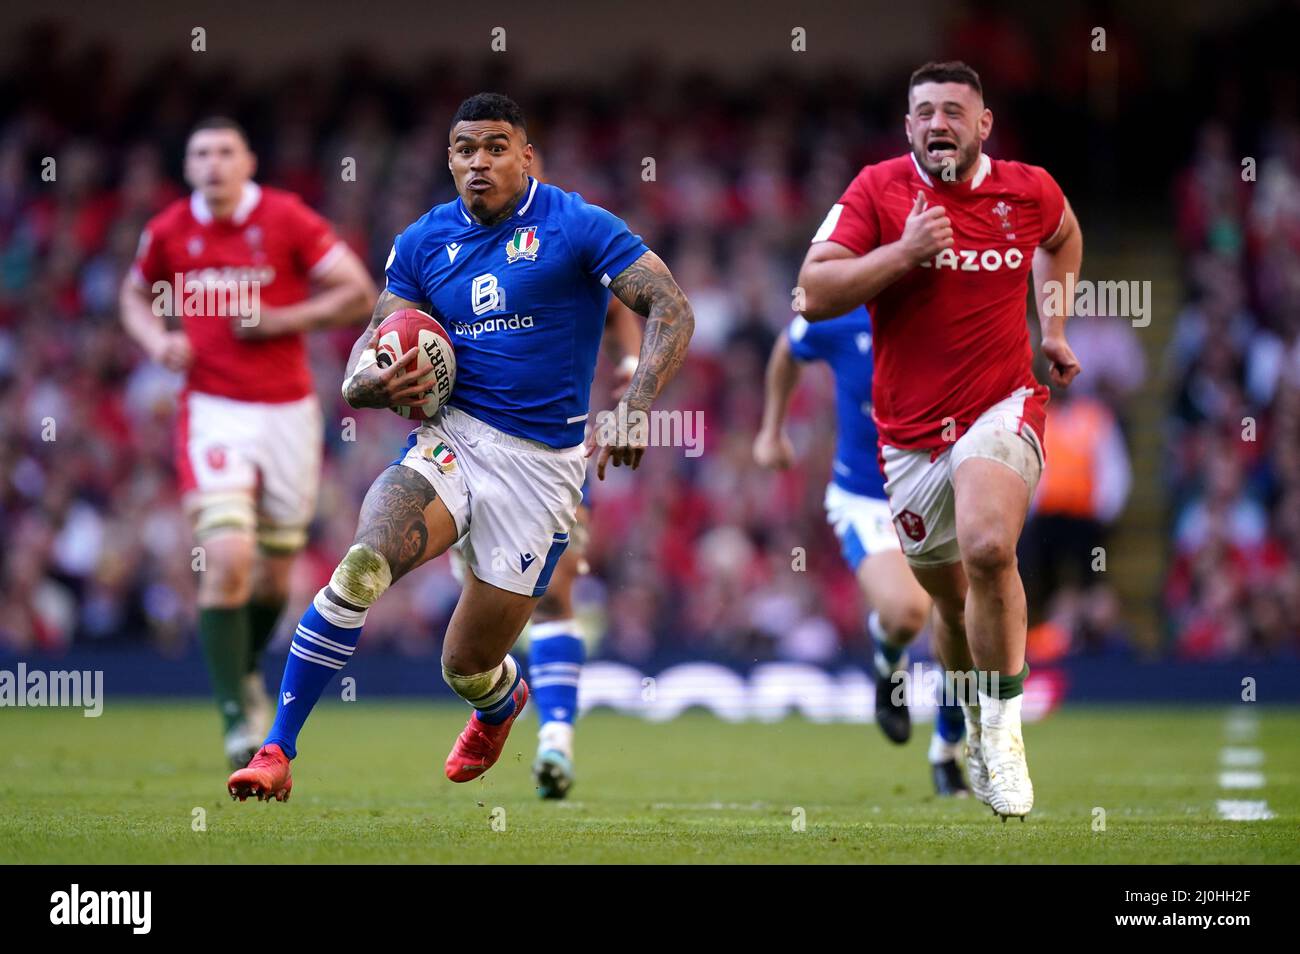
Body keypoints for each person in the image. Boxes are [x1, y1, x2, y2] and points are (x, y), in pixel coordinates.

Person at [228, 92, 694, 801]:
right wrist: (370, 384)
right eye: (465, 149)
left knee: (466, 665)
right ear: (449, 160)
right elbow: (370, 351)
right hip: (454, 439)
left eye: (496, 147)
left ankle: (499, 701)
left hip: (543, 470)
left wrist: (634, 406)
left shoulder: (576, 224)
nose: (480, 162)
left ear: (526, 155)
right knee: (361, 566)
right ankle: (276, 751)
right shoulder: (421, 242)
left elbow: (669, 305)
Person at [795, 61, 1083, 819]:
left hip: (1003, 403)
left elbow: (1064, 235)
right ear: (908, 126)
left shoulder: (1027, 189)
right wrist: (903, 253)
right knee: (947, 608)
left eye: (954, 110)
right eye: (923, 112)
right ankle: (966, 726)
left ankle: (1002, 734)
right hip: (910, 438)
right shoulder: (876, 190)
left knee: (990, 547)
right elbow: (813, 290)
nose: (938, 124)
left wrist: (1051, 327)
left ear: (983, 124)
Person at [119, 117, 376, 767]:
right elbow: (133, 295)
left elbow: (357, 293)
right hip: (213, 412)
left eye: (225, 152)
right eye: (200, 153)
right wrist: (158, 341)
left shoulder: (287, 218)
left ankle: (251, 674)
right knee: (227, 557)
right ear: (188, 166)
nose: (213, 163)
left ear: (248, 161)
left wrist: (283, 319)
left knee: (273, 575)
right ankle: (237, 716)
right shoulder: (171, 230)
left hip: (288, 414)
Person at [754, 308, 969, 796]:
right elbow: (788, 348)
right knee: (907, 613)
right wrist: (772, 430)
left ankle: (947, 750)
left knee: (959, 620)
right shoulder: (839, 314)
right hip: (867, 497)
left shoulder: (953, 307)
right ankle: (885, 656)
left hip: (944, 490)